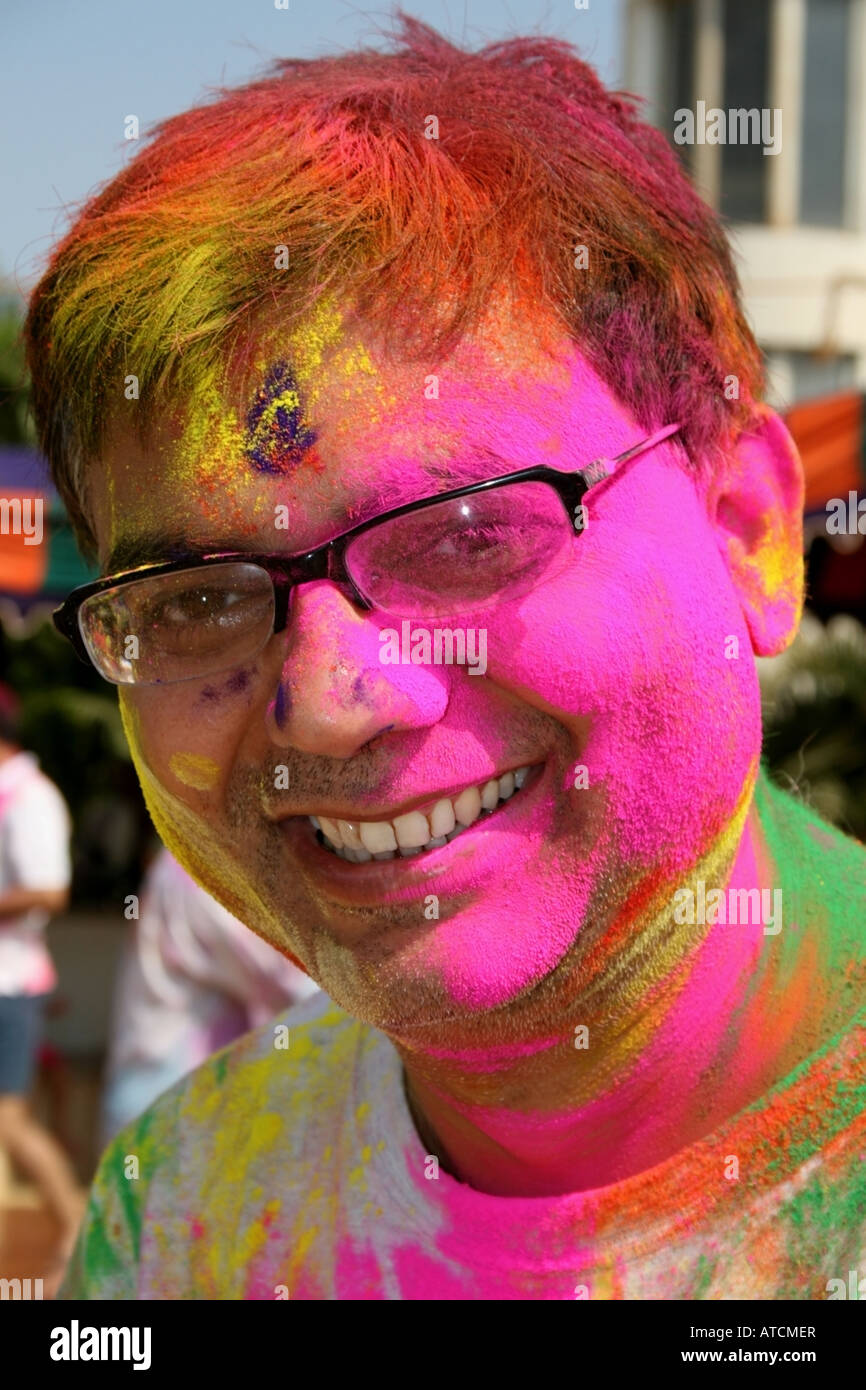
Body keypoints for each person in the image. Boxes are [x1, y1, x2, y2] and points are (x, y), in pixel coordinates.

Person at [24, 17, 866, 1299]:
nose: (324, 703)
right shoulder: (179, 1220)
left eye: (467, 531)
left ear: (743, 530)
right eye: (195, 598)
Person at [101, 847, 319, 1141]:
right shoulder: (199, 872)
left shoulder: (182, 864)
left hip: (163, 1089)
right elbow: (286, 978)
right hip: (176, 1098)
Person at [0, 682, 82, 1272]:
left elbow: (51, 890)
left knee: (10, 1123)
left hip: (13, 985)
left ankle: (73, 1219)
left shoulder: (30, 797)